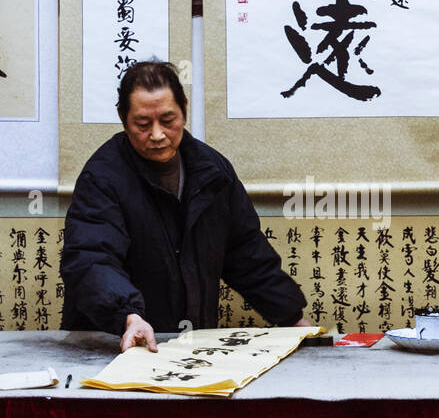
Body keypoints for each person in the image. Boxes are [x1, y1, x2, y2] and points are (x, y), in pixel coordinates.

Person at [60, 60, 308, 351]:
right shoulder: (102, 177)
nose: (157, 134)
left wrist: (292, 316)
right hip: (116, 342)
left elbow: (246, 253)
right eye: (142, 124)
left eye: (167, 120)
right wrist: (127, 316)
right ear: (123, 118)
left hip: (188, 347)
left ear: (185, 109)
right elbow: (91, 259)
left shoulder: (212, 171)